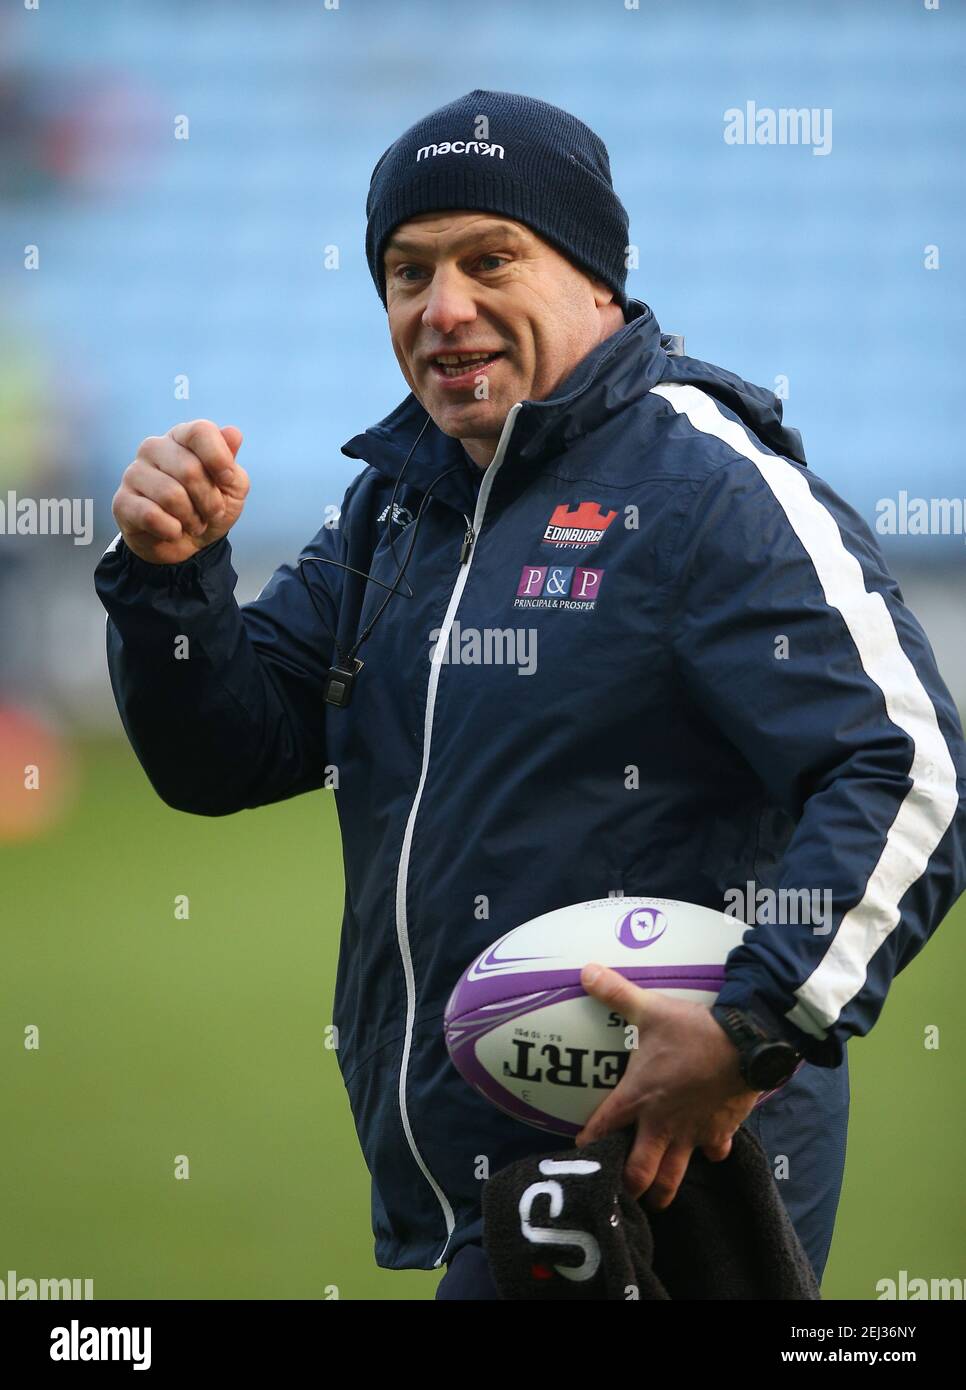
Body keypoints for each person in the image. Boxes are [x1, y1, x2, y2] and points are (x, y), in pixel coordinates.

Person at [94, 89, 966, 1299]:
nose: (442, 309)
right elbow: (223, 758)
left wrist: (750, 1028)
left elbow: (909, 770)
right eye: (406, 272)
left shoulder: (702, 485)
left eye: (489, 257)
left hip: (677, 1159)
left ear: (595, 277)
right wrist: (171, 585)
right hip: (498, 1173)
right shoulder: (396, 505)